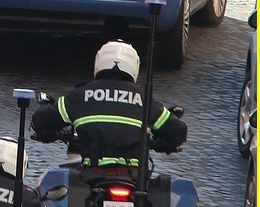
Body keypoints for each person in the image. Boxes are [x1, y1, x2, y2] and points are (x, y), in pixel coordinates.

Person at [31, 40, 187, 167]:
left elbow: (40, 121)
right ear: (135, 67)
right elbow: (178, 131)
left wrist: (48, 127)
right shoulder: (143, 98)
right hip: (133, 179)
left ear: (98, 63)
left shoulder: (80, 94)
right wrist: (162, 143)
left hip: (92, 174)